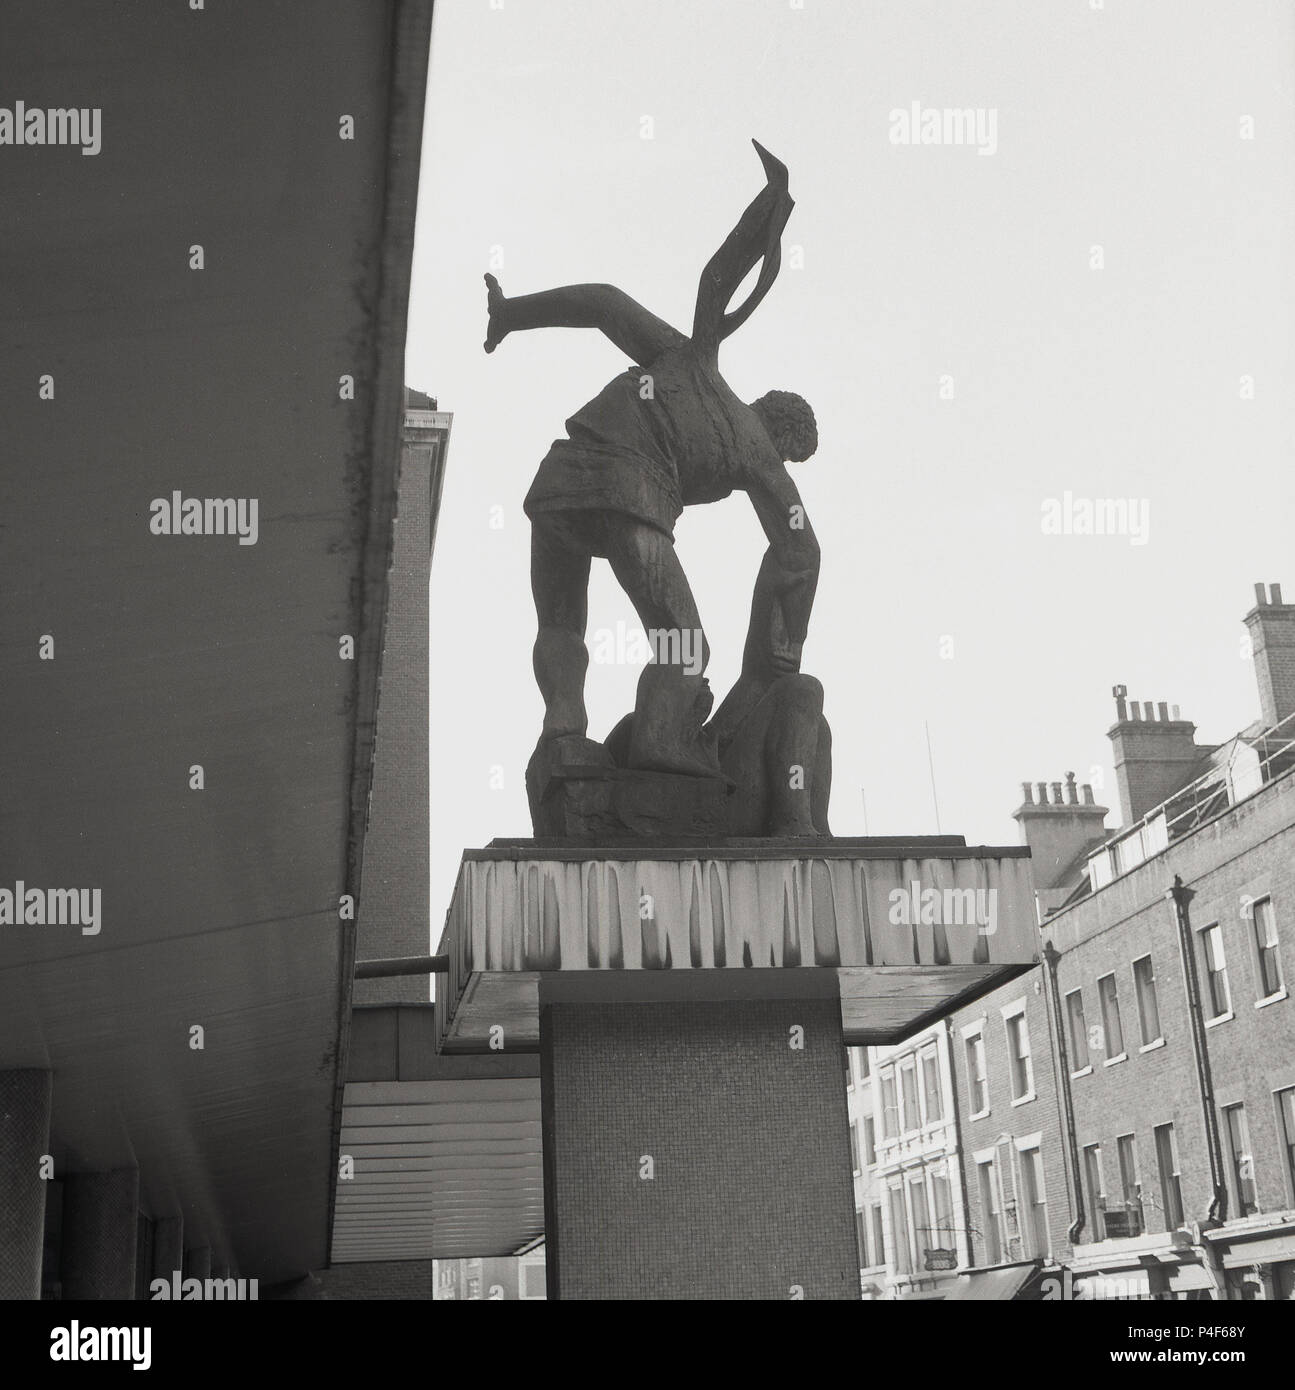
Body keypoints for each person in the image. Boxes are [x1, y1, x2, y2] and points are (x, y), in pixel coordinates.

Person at [485, 140, 820, 778]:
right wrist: (786, 643)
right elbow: (803, 547)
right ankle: (662, 744)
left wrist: (513, 315)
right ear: (784, 441)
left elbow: (625, 299)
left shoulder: (691, 357)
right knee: (683, 644)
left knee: (561, 621)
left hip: (560, 477)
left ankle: (563, 727)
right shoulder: (758, 456)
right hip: (630, 495)